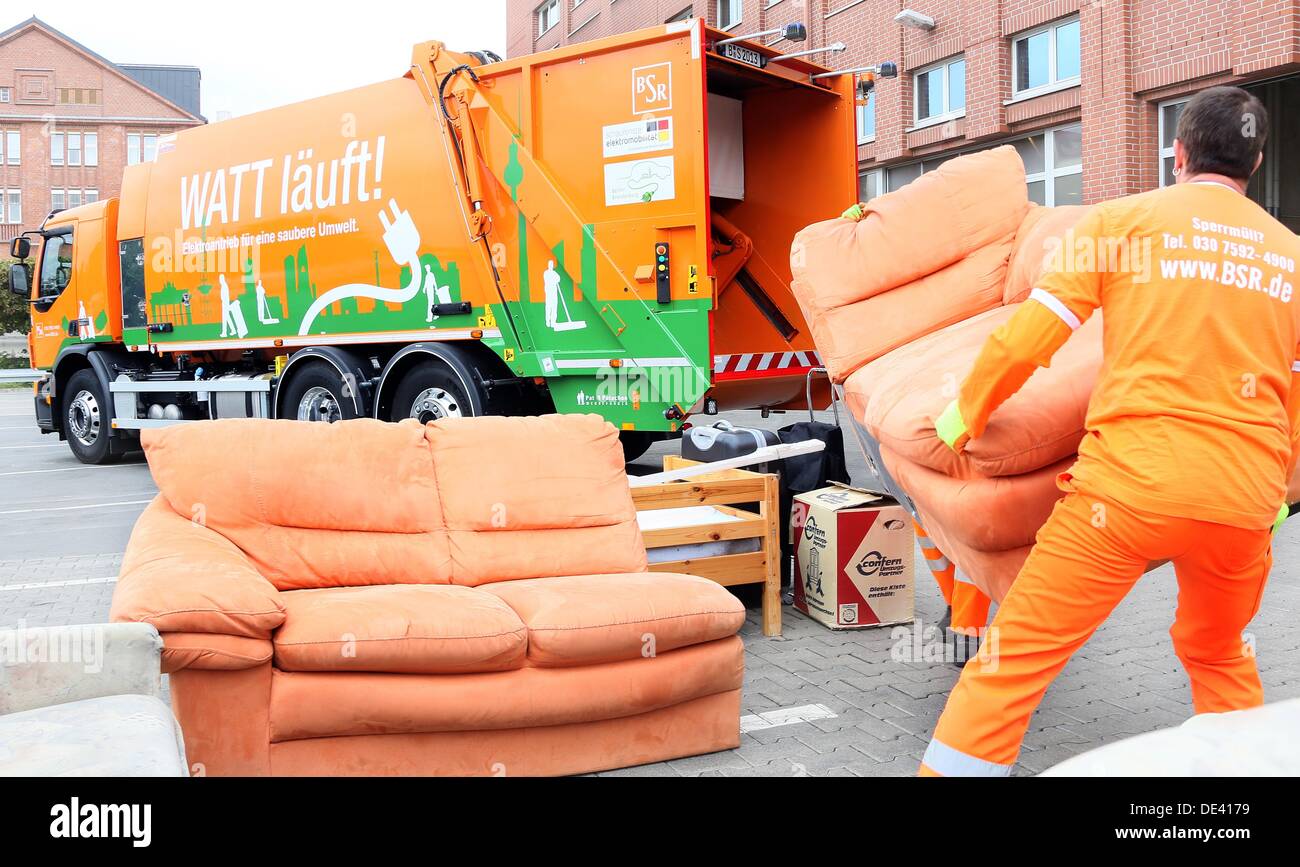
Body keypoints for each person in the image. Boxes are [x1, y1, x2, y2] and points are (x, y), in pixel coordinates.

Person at [918, 85, 1300, 776]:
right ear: (1258, 161)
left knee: (1013, 664)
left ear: (1176, 153)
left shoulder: (1122, 223)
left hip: (1123, 498)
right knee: (1219, 654)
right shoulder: (1290, 257)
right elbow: (1294, 395)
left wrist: (960, 417)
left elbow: (1029, 341)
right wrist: (1278, 499)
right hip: (1242, 504)